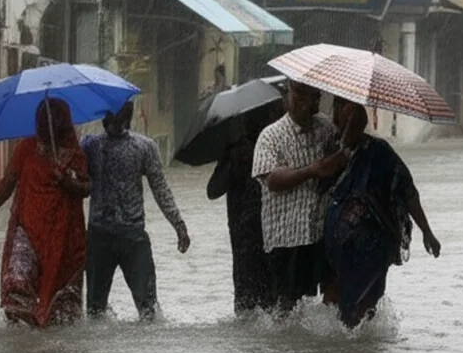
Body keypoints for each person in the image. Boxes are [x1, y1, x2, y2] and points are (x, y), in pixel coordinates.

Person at [0, 99, 91, 327]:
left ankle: (46, 351)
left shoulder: (76, 155)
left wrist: (66, 182)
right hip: (27, 229)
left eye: (52, 122)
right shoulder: (26, 149)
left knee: (60, 305)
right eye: (43, 121)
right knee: (17, 284)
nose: (47, 126)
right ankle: (21, 349)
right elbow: (8, 183)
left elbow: (86, 189)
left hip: (63, 237)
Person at [324, 99, 441, 328]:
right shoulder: (331, 151)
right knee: (341, 304)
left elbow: (407, 191)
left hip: (373, 246)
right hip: (337, 247)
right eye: (342, 111)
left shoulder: (379, 152)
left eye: (354, 115)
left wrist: (427, 231)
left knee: (363, 306)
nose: (347, 118)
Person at [82, 100, 191, 321]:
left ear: (126, 117)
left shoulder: (144, 147)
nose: (113, 122)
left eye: (118, 116)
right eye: (110, 116)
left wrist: (178, 225)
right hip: (99, 235)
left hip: (132, 235)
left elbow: (160, 189)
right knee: (95, 311)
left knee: (148, 309)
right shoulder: (90, 146)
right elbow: (76, 181)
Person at [252, 80, 346, 315]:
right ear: (289, 96)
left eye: (313, 96)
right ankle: (292, 349)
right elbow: (273, 180)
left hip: (321, 231)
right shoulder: (270, 136)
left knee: (334, 291)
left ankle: (324, 344)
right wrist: (312, 170)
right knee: (289, 306)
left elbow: (339, 158)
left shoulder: (325, 127)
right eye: (300, 95)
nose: (307, 103)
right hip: (286, 238)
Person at [207, 101, 284, 315]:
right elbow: (212, 191)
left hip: (275, 238)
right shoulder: (235, 152)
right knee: (246, 307)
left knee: (275, 306)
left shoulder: (276, 146)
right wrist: (233, 163)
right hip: (243, 243)